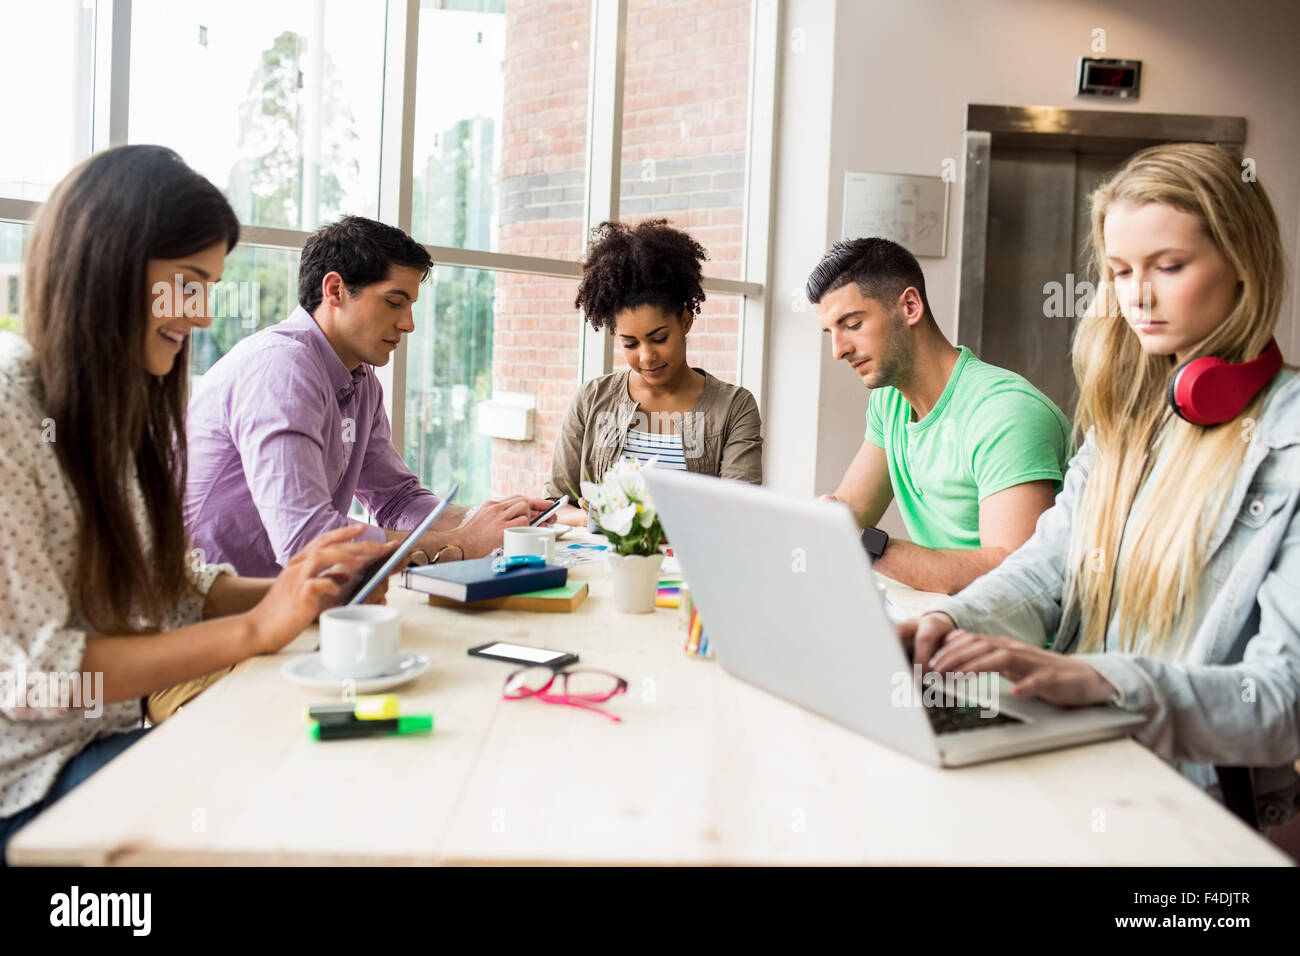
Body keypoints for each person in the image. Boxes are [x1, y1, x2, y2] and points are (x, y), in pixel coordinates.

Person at [0, 146, 396, 863]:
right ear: (108, 267)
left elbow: (172, 589)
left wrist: (297, 590)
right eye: (188, 283)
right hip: (26, 781)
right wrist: (255, 632)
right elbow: (36, 678)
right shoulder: (9, 409)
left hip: (105, 736)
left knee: (334, 771)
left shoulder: (115, 413)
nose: (205, 311)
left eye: (210, 285)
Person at [904, 143, 1300, 829]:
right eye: (1120, 272)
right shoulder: (1126, 421)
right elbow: (1043, 575)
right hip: (1081, 769)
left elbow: (1281, 701)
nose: (1137, 296)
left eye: (1168, 267)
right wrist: (949, 623)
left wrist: (1104, 681)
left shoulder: (1288, 439)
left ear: (1244, 261)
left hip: (1199, 813)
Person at [185, 216, 553, 576]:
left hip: (287, 605)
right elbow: (306, 542)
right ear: (335, 291)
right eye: (394, 302)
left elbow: (397, 499)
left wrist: (491, 518)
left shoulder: (360, 381)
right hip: (215, 612)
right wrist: (460, 543)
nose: (408, 324)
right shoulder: (281, 369)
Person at [808, 237, 1073, 594]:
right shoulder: (890, 403)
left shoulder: (1005, 412)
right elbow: (851, 512)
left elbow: (1015, 574)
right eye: (831, 332)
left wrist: (871, 546)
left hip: (1009, 639)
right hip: (940, 619)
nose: (839, 350)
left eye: (852, 324)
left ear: (910, 306)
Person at [546, 218, 763, 524]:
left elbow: (741, 512)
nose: (647, 357)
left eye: (660, 338)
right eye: (630, 344)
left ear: (685, 321)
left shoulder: (734, 407)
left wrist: (627, 518)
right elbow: (554, 508)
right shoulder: (591, 398)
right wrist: (606, 519)